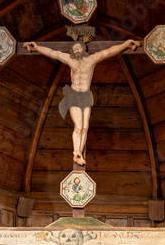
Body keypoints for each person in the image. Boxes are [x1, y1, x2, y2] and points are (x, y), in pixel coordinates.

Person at [25, 38, 141, 166]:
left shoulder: (92, 59)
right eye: (74, 49)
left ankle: (79, 152)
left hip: (85, 96)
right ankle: (76, 152)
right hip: (74, 96)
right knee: (78, 127)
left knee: (85, 127)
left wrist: (125, 44)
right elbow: (53, 53)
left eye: (78, 48)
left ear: (83, 48)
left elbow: (109, 52)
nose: (76, 51)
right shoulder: (70, 59)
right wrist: (37, 48)